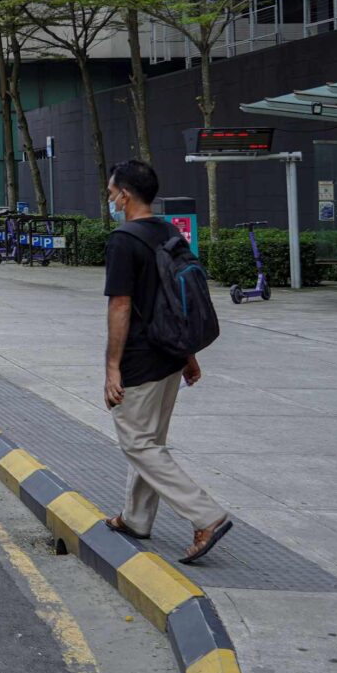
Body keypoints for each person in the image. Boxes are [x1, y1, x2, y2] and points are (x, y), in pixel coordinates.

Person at [103, 159, 231, 564]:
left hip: (141, 357)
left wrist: (111, 368)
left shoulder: (124, 239)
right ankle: (137, 518)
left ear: (125, 194)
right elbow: (175, 301)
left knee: (138, 443)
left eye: (111, 193)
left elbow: (121, 305)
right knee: (150, 441)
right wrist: (187, 355)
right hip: (170, 355)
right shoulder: (167, 232)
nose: (109, 199)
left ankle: (206, 516)